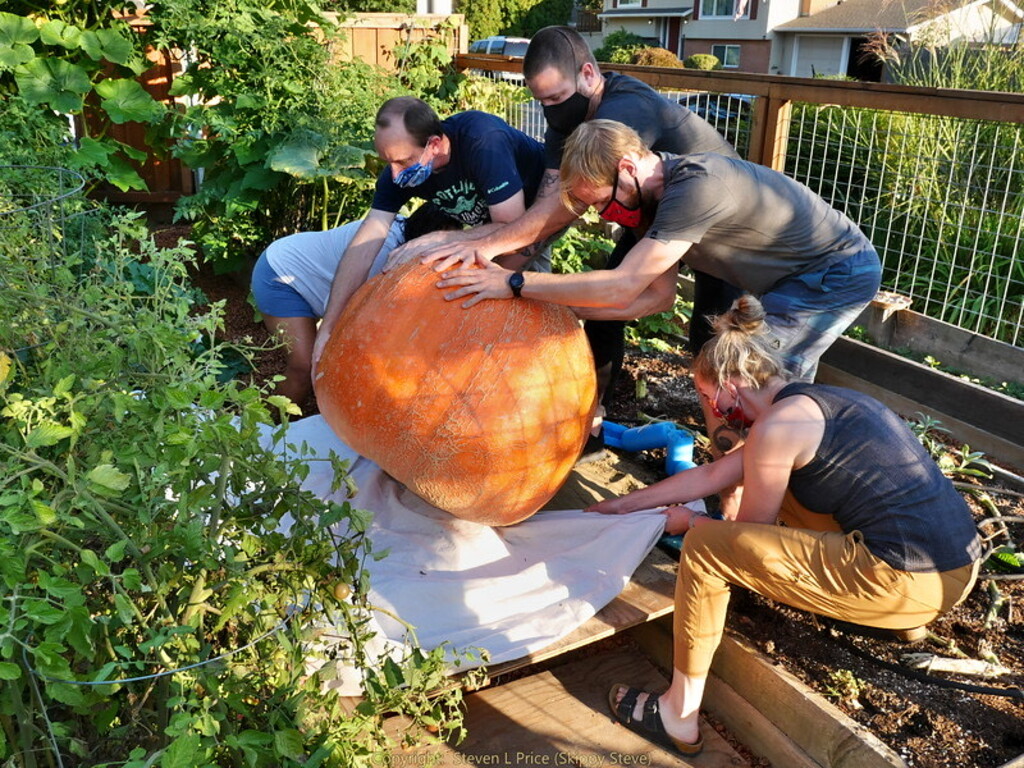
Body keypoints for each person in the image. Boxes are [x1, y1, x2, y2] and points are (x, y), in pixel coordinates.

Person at [588, 294, 982, 757]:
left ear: (731, 385)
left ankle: (678, 711)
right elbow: (716, 473)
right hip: (957, 571)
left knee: (708, 547)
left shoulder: (776, 431)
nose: (711, 409)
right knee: (797, 488)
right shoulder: (819, 403)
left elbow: (743, 537)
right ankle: (902, 624)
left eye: (707, 396)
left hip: (902, 583)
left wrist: (692, 521)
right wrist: (618, 508)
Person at [435, 119, 882, 478]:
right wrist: (549, 308)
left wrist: (516, 285)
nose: (605, 215)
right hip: (784, 278)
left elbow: (623, 285)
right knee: (726, 379)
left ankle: (755, 507)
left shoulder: (695, 187)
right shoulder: (645, 202)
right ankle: (730, 484)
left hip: (833, 273)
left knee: (753, 388)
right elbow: (655, 299)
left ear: (628, 167)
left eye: (605, 202)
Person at [414, 26, 742, 446]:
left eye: (555, 97)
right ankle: (591, 423)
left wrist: (484, 246)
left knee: (713, 340)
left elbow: (563, 209)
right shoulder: (564, 126)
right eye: (540, 101)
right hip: (654, 222)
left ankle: (730, 459)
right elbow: (550, 199)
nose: (550, 111)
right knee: (603, 311)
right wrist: (495, 270)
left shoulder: (627, 109)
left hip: (718, 227)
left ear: (588, 74)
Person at [310, 96, 550, 375]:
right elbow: (368, 238)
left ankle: (527, 377)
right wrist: (329, 325)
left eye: (403, 161)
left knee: (516, 301)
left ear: (434, 144)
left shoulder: (483, 141)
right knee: (469, 302)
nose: (396, 174)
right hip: (490, 222)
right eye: (389, 163)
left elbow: (512, 227)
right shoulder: (398, 171)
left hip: (535, 217)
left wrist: (443, 238)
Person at [252, 203, 460, 407]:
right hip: (281, 275)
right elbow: (342, 311)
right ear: (423, 234)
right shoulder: (384, 253)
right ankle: (264, 432)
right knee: (303, 366)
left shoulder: (407, 242)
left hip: (310, 278)